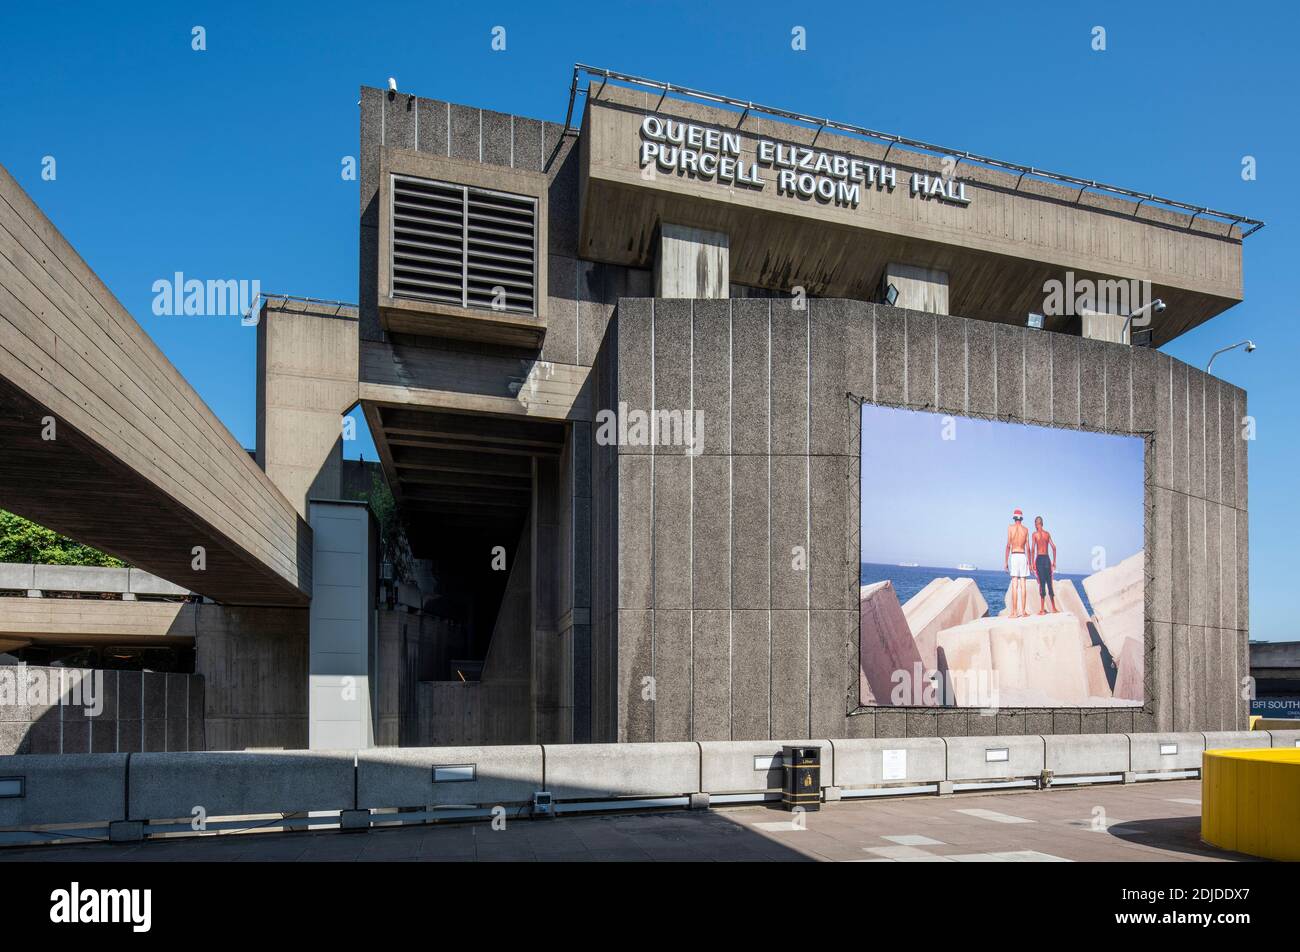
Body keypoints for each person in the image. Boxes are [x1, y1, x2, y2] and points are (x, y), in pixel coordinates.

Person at [1029, 516, 1059, 614]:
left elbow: (1033, 549)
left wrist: (1032, 562)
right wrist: (1054, 561)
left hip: (1039, 559)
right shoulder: (1047, 534)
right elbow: (1054, 547)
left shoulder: (1035, 534)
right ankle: (1054, 608)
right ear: (1042, 523)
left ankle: (1042, 609)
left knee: (1042, 584)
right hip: (1047, 559)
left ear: (1036, 524)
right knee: (1050, 583)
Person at [1004, 508, 1030, 618]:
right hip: (1023, 555)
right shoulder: (1026, 529)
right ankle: (1023, 612)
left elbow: (1008, 545)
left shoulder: (1010, 528)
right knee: (1023, 584)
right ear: (1022, 518)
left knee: (1014, 584)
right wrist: (1030, 561)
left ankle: (1014, 612)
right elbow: (1028, 547)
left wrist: (1005, 561)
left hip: (1014, 555)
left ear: (1014, 518)